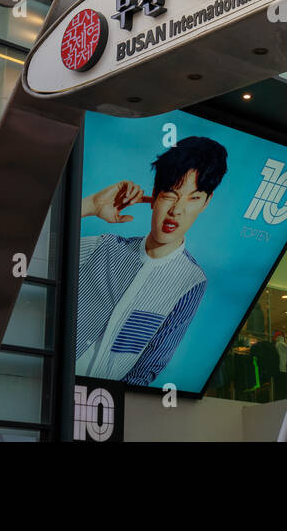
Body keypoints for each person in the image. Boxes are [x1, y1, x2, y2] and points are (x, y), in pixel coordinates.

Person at [76, 136, 228, 385]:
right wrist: (90, 205)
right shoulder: (103, 247)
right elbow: (22, 247)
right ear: (155, 195)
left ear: (206, 202)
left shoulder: (192, 281)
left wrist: (114, 402)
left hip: (105, 401)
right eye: (170, 195)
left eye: (194, 198)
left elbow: (149, 366)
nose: (176, 210)